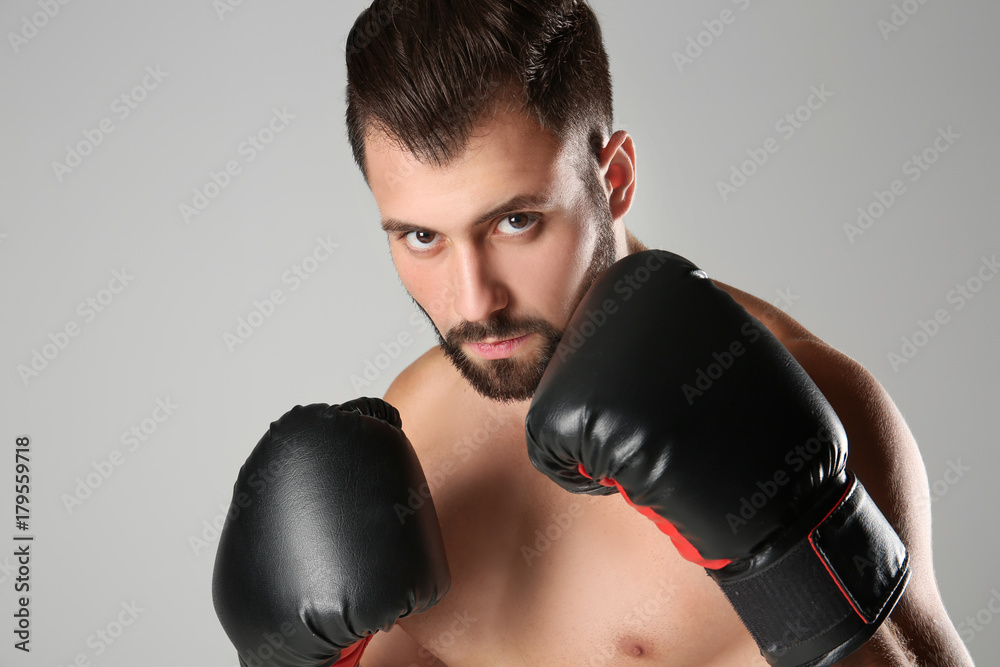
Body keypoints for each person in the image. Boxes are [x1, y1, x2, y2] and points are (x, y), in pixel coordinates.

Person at [213, 1, 973, 665]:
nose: (475, 299)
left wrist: (798, 556)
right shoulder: (414, 430)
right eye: (421, 237)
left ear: (613, 180)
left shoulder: (799, 405)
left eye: (516, 221)